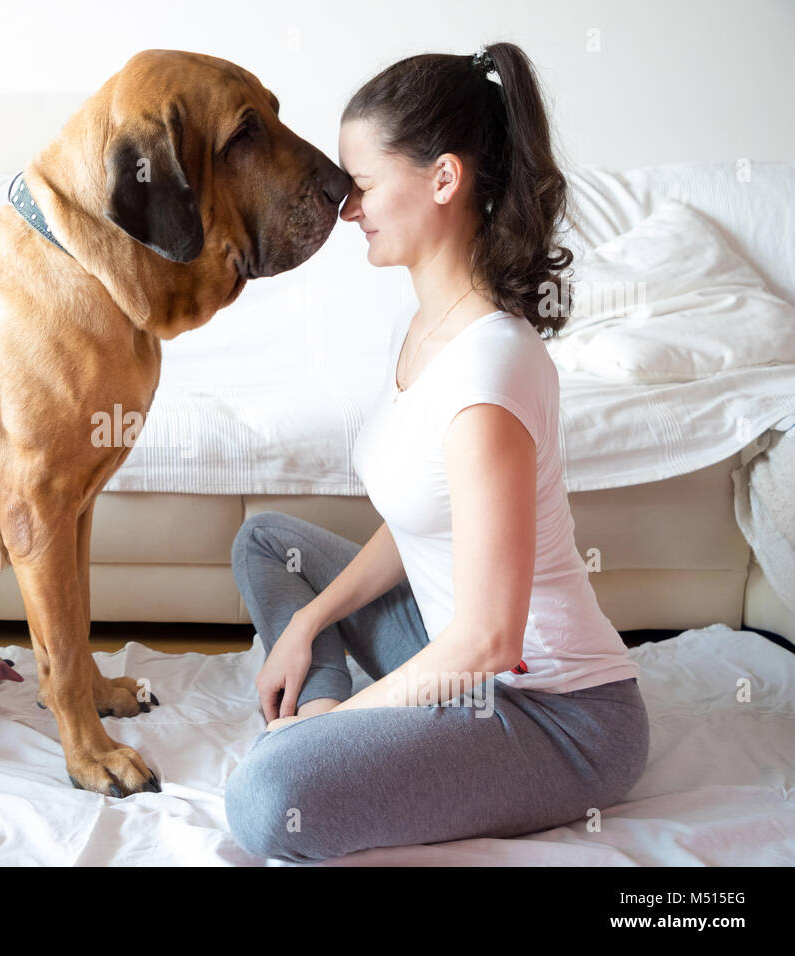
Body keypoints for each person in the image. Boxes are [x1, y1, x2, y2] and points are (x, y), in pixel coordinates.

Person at [223, 42, 649, 863]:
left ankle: (311, 724)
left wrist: (341, 726)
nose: (348, 209)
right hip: (447, 645)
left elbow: (492, 640)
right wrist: (310, 625)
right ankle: (316, 699)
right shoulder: (420, 328)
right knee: (267, 541)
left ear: (443, 179)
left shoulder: (491, 371)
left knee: (268, 795)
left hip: (551, 710)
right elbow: (425, 518)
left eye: (365, 183)